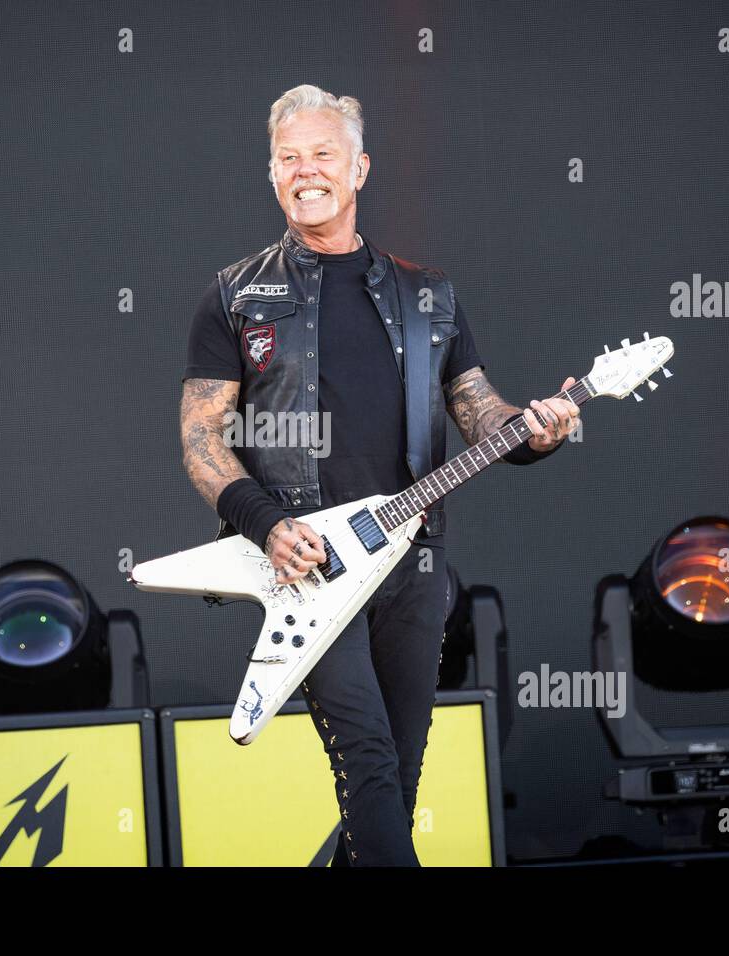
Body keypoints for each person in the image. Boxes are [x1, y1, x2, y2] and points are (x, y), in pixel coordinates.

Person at [180, 84, 581, 865]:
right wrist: (267, 526)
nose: (306, 171)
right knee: (366, 764)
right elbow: (201, 443)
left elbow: (484, 418)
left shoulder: (427, 295)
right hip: (308, 569)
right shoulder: (234, 296)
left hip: (412, 567)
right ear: (271, 175)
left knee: (396, 780)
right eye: (288, 158)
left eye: (323, 154)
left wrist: (541, 431)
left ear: (359, 169)